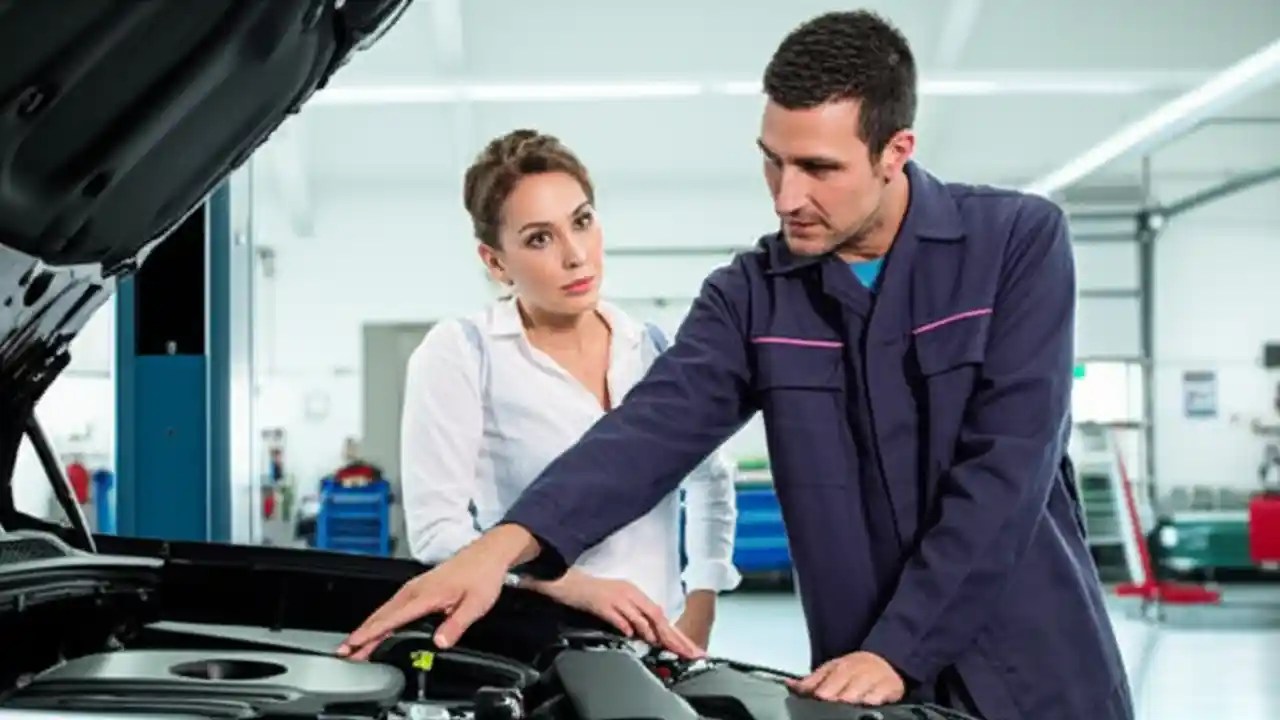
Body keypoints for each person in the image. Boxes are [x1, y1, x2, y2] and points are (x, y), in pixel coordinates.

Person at [341, 11, 1133, 720]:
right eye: (772, 162)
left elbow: (1007, 471)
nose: (786, 197)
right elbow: (646, 436)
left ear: (896, 151)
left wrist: (899, 650)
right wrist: (501, 547)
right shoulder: (752, 296)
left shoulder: (1015, 246)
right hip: (861, 688)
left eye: (818, 169)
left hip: (1036, 669)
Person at [396, 129, 741, 653]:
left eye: (581, 221)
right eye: (540, 238)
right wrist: (574, 587)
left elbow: (711, 479)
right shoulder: (463, 352)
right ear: (494, 261)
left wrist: (701, 605)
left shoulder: (651, 346)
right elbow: (436, 533)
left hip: (663, 651)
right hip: (538, 643)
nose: (576, 255)